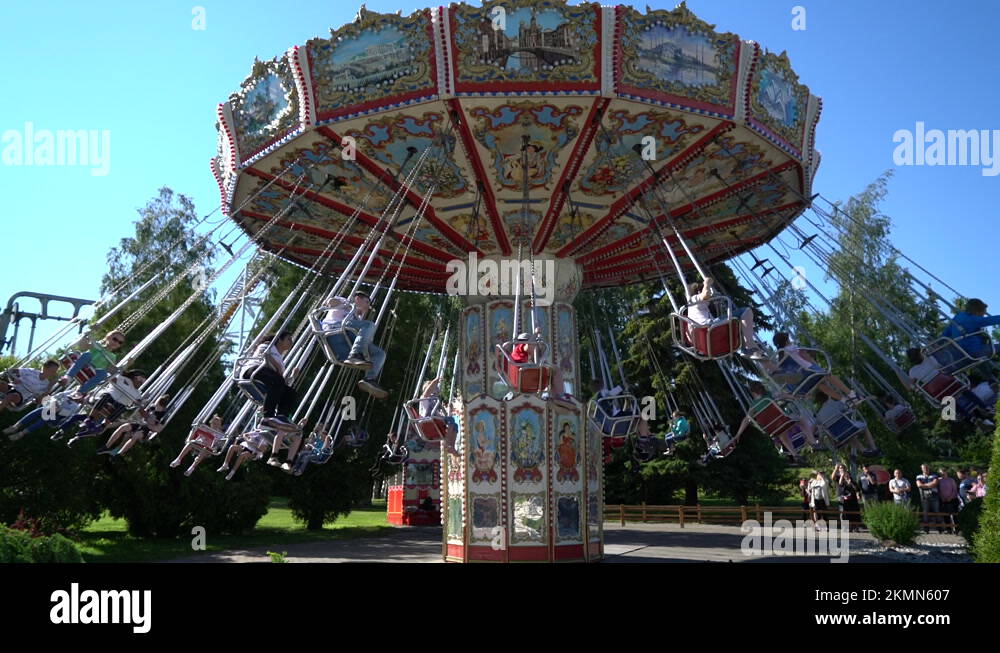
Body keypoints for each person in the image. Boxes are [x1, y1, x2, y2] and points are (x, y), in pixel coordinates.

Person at [320, 293, 387, 398]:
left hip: (347, 337)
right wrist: (349, 305)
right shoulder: (344, 301)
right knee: (369, 325)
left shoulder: (357, 317)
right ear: (357, 299)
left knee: (379, 353)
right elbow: (329, 302)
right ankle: (355, 355)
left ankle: (369, 379)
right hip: (335, 327)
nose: (368, 306)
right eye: (367, 302)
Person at [682, 277, 766, 359]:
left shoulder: (694, 314)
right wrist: (707, 283)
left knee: (737, 324)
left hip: (708, 340)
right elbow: (705, 294)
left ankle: (746, 347)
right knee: (745, 311)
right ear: (698, 291)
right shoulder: (694, 300)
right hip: (710, 328)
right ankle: (749, 345)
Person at [63, 369, 147, 442]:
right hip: (110, 397)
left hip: (119, 405)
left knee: (122, 408)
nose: (140, 383)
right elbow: (111, 378)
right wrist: (114, 374)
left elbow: (138, 404)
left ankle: (102, 426)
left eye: (142, 382)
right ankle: (90, 419)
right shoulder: (123, 379)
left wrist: (141, 403)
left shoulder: (137, 393)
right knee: (106, 397)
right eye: (140, 380)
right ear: (135, 377)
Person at [239, 331, 298, 429]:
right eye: (289, 339)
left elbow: (281, 380)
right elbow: (264, 355)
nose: (291, 342)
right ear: (279, 340)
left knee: (290, 392)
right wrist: (277, 367)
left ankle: (281, 417)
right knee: (277, 380)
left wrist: (292, 376)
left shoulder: (280, 359)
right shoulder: (268, 345)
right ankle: (267, 417)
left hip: (267, 377)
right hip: (253, 370)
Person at [771, 332, 854, 399]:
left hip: (801, 384)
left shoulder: (781, 358)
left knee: (820, 385)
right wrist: (817, 367)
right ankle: (851, 394)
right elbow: (806, 356)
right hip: (808, 372)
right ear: (786, 341)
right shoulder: (792, 348)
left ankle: (844, 400)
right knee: (828, 375)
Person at [96, 394, 170, 458]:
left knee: (135, 435)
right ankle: (107, 446)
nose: (155, 402)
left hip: (147, 430)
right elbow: (143, 416)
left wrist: (150, 424)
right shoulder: (152, 407)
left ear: (160, 403)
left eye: (157, 401)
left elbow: (158, 429)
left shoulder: (162, 415)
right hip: (140, 423)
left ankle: (119, 454)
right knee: (123, 427)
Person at [814, 388, 880, 455]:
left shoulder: (819, 415)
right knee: (864, 427)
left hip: (838, 436)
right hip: (848, 428)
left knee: (848, 435)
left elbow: (821, 428)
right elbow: (849, 409)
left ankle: (863, 450)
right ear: (828, 395)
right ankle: (874, 448)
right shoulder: (837, 404)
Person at [2, 388, 82, 441]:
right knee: (41, 410)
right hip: (52, 407)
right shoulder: (70, 392)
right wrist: (54, 402)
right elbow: (56, 396)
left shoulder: (76, 406)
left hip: (57, 416)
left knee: (45, 418)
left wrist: (58, 409)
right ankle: (15, 426)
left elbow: (66, 414)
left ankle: (21, 433)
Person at [63, 331, 125, 396]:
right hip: (85, 364)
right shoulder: (97, 345)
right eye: (115, 339)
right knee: (87, 355)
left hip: (94, 372)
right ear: (108, 337)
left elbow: (110, 369)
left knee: (103, 374)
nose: (116, 343)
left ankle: (80, 391)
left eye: (120, 342)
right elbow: (84, 346)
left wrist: (121, 368)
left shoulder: (113, 357)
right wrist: (85, 337)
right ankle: (68, 377)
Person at [940, 298, 1000, 364]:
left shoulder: (958, 316)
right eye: (983, 313)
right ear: (977, 311)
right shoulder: (975, 320)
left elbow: (945, 333)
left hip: (960, 352)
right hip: (973, 352)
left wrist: (938, 344)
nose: (983, 315)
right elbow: (993, 320)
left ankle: (989, 373)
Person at [915, 464, 941, 534]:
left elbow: (935, 483)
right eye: (924, 468)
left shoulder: (934, 475)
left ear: (929, 469)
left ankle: (940, 529)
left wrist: (925, 486)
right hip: (924, 497)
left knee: (937, 512)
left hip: (934, 496)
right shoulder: (918, 476)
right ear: (921, 469)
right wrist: (930, 485)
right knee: (925, 513)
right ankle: (926, 529)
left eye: (927, 468)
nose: (925, 469)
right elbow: (919, 485)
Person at [937, 468, 960, 534]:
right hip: (943, 500)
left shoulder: (951, 480)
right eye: (941, 472)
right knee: (945, 515)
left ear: (946, 472)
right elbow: (938, 490)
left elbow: (955, 490)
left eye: (944, 472)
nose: (943, 473)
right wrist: (942, 497)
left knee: (954, 515)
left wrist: (950, 497)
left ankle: (956, 529)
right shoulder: (939, 480)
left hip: (952, 499)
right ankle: (948, 529)